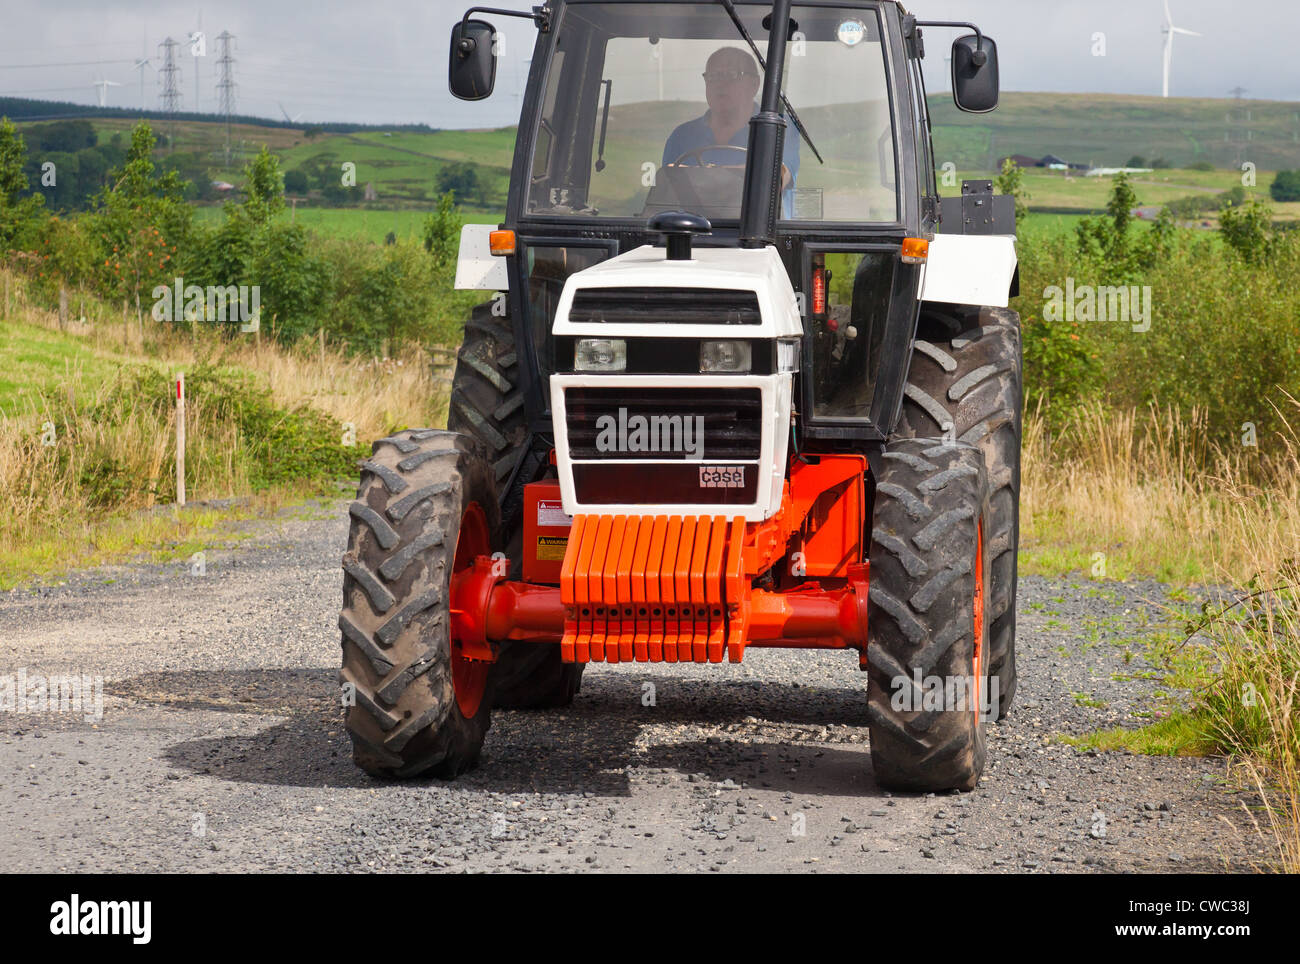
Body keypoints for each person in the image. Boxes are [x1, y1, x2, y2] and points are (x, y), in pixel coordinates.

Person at [662, 46, 800, 217]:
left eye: (731, 75)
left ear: (755, 84)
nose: (721, 83)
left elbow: (774, 178)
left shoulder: (778, 128)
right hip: (691, 239)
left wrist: (697, 177)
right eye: (713, 76)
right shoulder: (681, 136)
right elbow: (666, 192)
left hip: (759, 239)